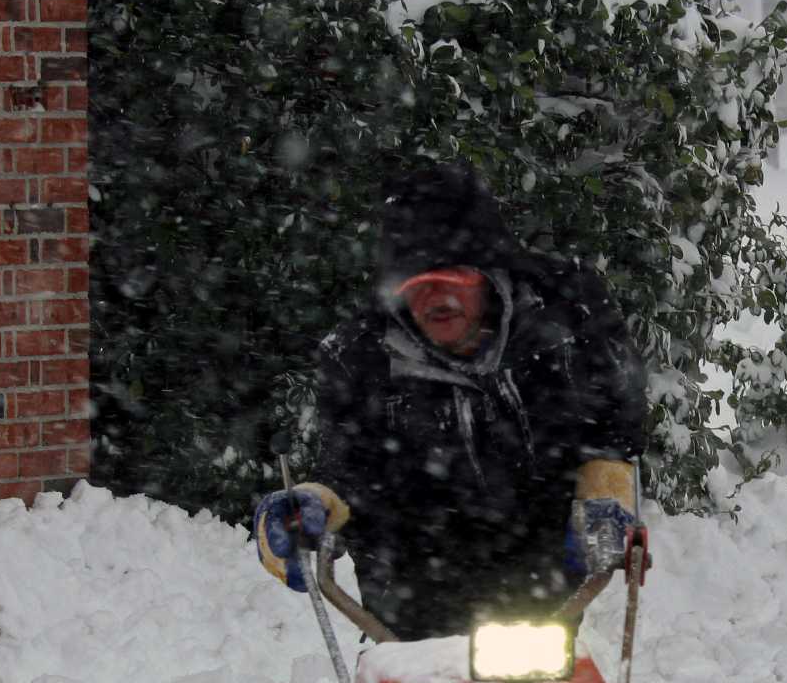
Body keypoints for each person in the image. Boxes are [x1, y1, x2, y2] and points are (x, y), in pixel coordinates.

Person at [253, 162, 646, 639]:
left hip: (540, 582)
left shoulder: (568, 315)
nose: (435, 297)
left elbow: (614, 421)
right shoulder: (361, 356)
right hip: (410, 594)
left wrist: (605, 490)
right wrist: (313, 505)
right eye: (415, 284)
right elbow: (348, 468)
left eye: (452, 279)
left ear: (486, 274)